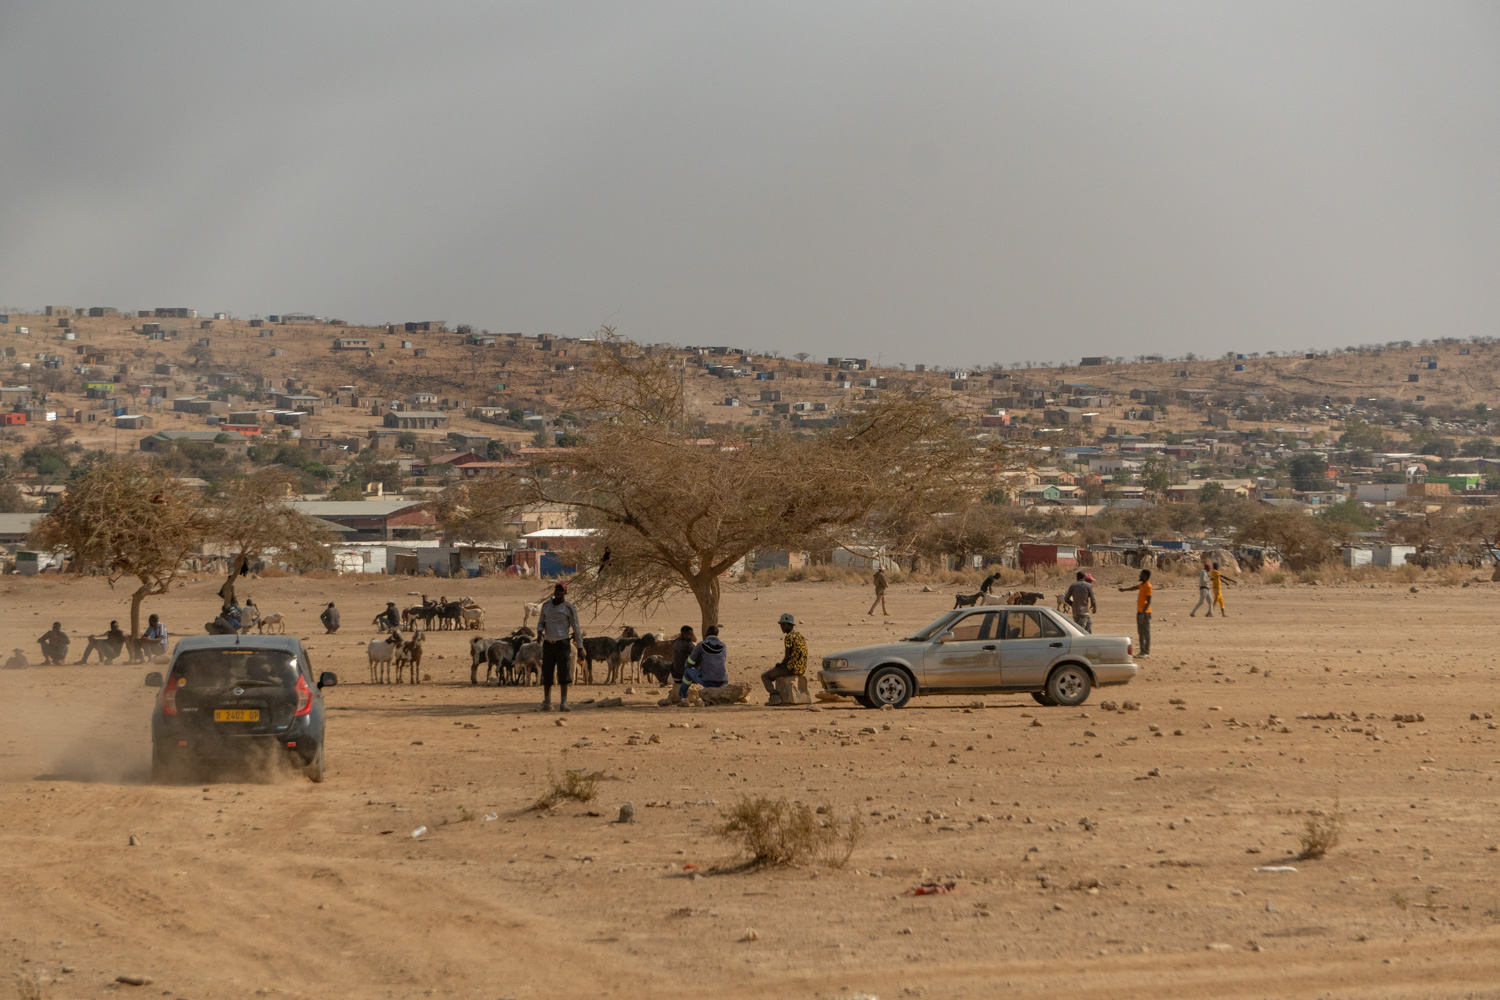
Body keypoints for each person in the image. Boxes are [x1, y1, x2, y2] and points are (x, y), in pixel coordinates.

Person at [536, 582, 581, 712]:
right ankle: (547, 702)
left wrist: (580, 646)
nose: (558, 592)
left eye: (561, 590)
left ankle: (563, 702)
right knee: (547, 673)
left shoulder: (569, 608)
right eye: (556, 589)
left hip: (563, 643)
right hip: (548, 643)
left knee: (564, 673)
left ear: (565, 593)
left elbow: (576, 628)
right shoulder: (546, 606)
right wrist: (540, 632)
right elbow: (540, 623)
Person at [761, 612, 808, 705]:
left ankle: (775, 698)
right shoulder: (799, 636)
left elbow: (787, 656)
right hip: (801, 668)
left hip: (791, 669)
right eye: (781, 625)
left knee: (765, 676)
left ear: (789, 625)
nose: (781, 627)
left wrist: (781, 666)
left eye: (783, 625)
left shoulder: (789, 637)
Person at [678, 625, 728, 703]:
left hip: (708, 681)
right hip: (723, 681)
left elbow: (690, 661)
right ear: (717, 634)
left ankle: (683, 696)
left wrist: (688, 667)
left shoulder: (701, 645)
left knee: (687, 671)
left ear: (706, 633)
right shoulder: (723, 646)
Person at [1118, 569, 1153, 657]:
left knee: (1145, 632)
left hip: (1145, 612)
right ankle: (1142, 651)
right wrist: (1124, 590)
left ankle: (1146, 651)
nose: (1139, 576)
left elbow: (1148, 601)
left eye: (1141, 574)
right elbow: (1135, 587)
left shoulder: (1148, 586)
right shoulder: (1142, 585)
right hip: (1140, 611)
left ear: (1145, 576)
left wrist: (1142, 614)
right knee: (1141, 632)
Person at [664, 625, 697, 705]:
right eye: (690, 634)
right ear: (683, 634)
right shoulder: (689, 645)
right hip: (684, 676)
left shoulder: (676, 643)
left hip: (675, 676)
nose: (691, 636)